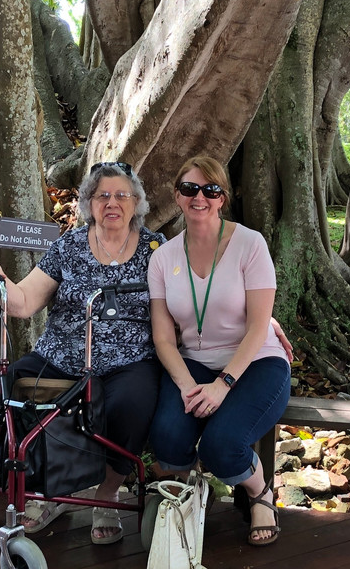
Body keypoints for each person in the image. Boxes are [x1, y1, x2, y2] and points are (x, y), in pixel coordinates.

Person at [0, 162, 163, 543]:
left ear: (136, 203)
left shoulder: (156, 249)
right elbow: (24, 301)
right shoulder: (70, 245)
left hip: (126, 361)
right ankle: (47, 487)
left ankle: (106, 495)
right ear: (88, 203)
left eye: (121, 195)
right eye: (102, 195)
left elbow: (191, 301)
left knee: (129, 406)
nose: (112, 202)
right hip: (60, 357)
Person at [148, 155, 290, 547]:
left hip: (255, 361)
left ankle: (260, 493)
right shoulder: (162, 258)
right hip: (192, 362)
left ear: (222, 197)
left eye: (210, 190)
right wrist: (187, 386)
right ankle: (193, 487)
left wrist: (222, 384)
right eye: (190, 189)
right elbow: (163, 338)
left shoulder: (250, 244)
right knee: (167, 438)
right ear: (177, 196)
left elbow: (259, 325)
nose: (200, 198)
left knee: (222, 445)